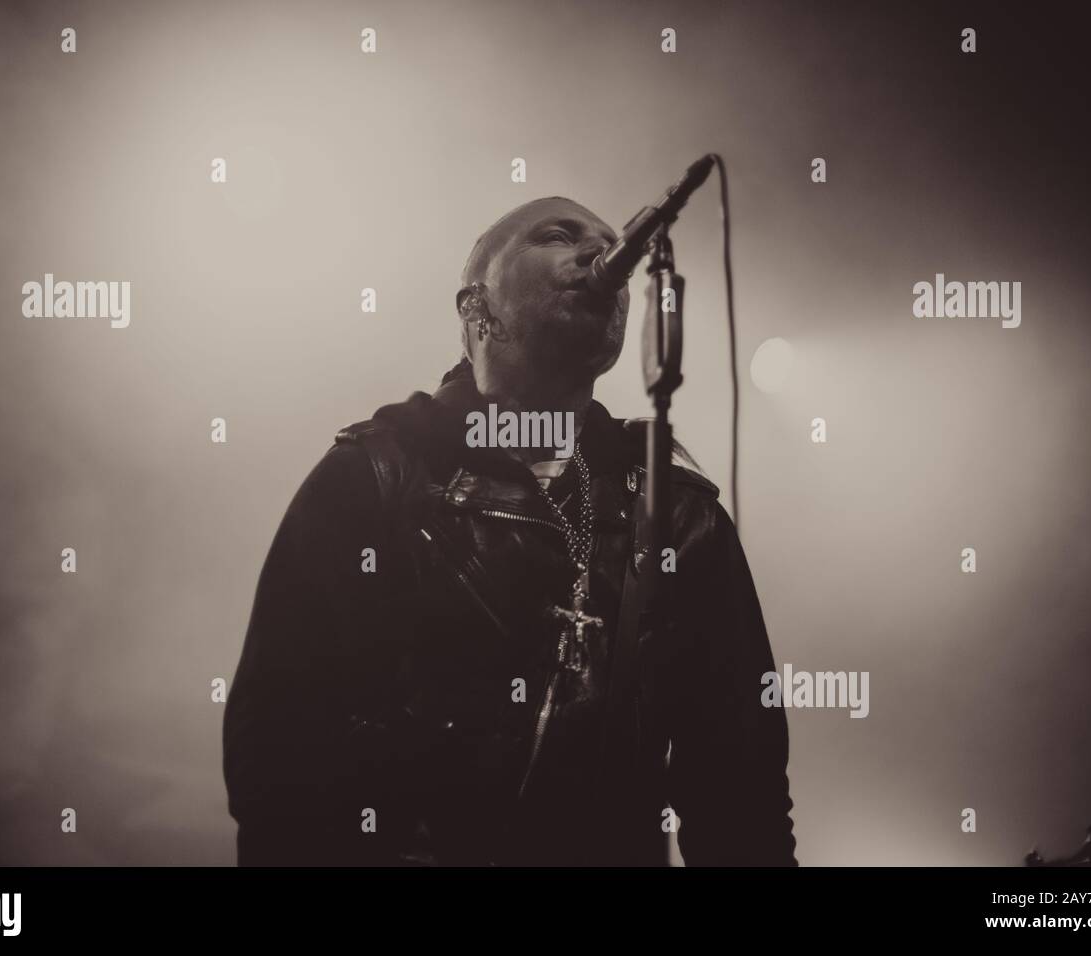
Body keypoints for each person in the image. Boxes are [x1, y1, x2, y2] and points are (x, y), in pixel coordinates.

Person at [222, 196, 797, 866]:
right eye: (558, 236)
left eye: (609, 242)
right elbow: (278, 751)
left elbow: (739, 789)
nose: (598, 255)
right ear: (478, 310)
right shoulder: (376, 478)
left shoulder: (676, 514)